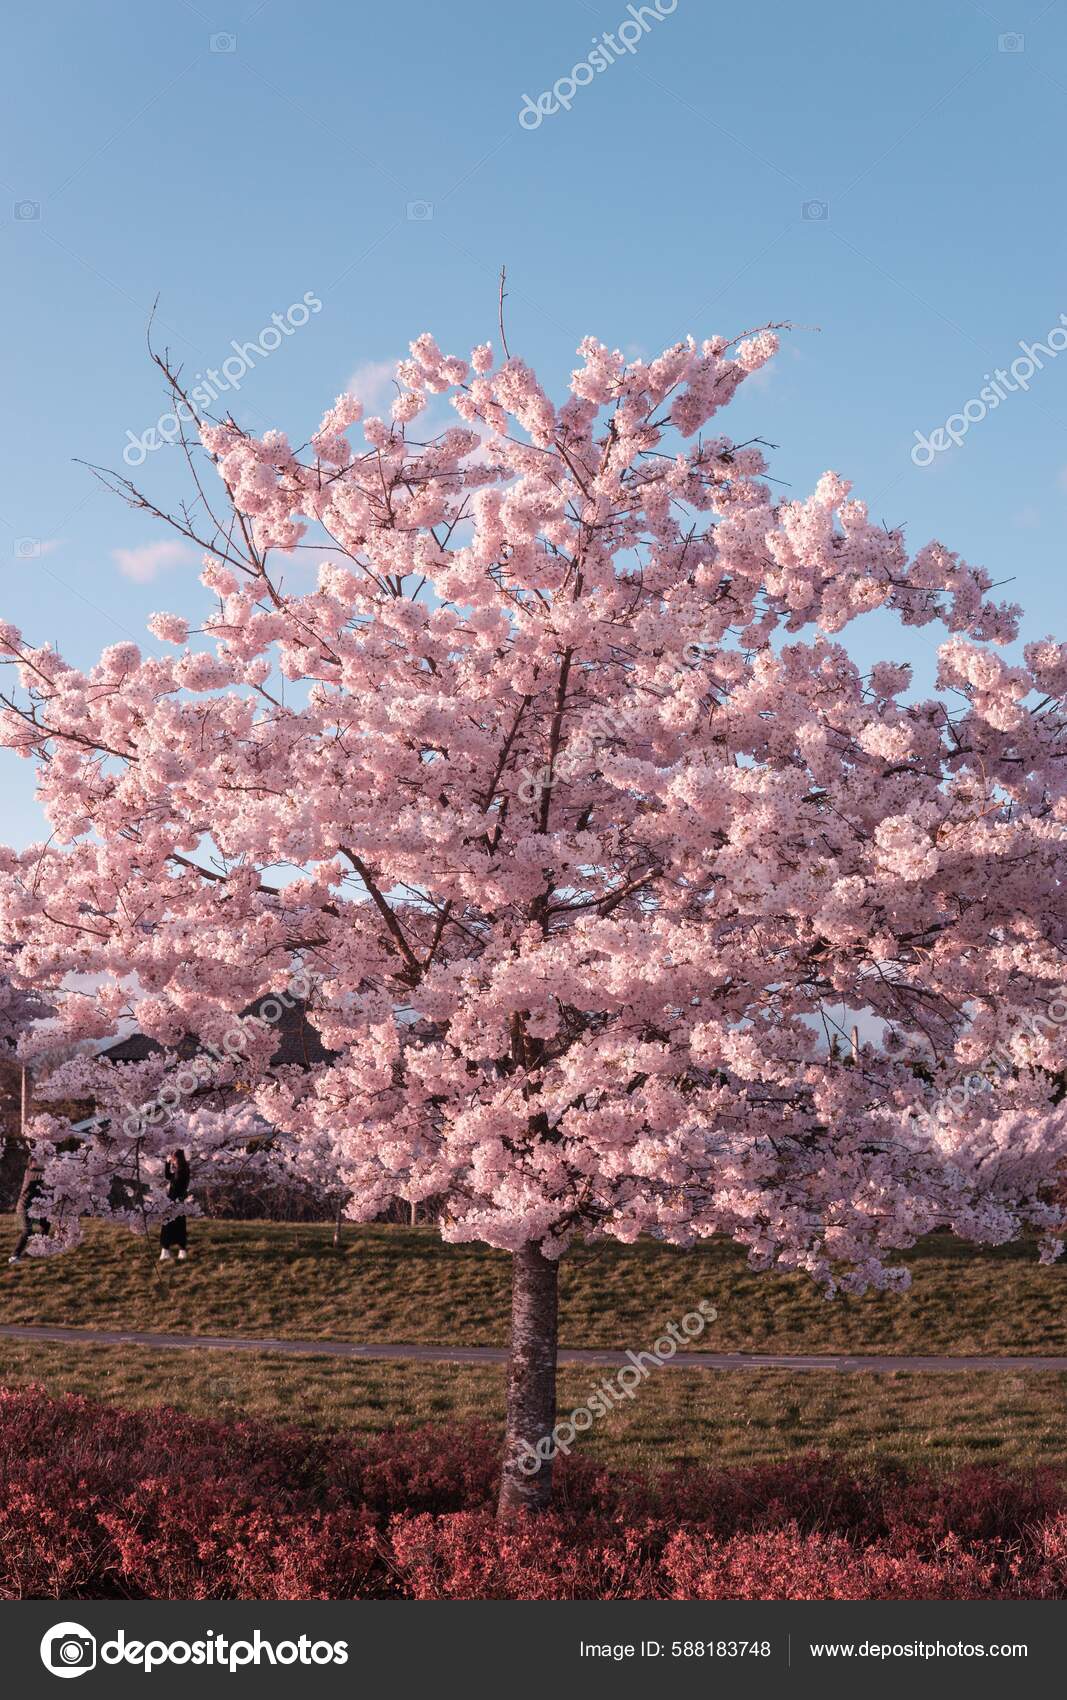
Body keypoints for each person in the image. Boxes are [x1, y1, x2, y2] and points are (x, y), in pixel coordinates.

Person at [9, 1151, 49, 1263]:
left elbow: (47, 1182)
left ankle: (37, 1249)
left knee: (46, 1224)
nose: (40, 1162)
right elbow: (43, 1176)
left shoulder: (40, 1173)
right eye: (36, 1160)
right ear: (31, 1163)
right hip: (24, 1207)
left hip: (36, 1208)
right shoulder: (29, 1173)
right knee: (28, 1231)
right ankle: (14, 1256)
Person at [159, 1147, 190, 1262]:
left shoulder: (183, 1171)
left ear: (177, 1159)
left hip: (176, 1201)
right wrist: (167, 1164)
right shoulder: (180, 1170)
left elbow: (176, 1184)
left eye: (173, 1159)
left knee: (173, 1225)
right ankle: (168, 1250)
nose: (172, 1161)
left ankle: (178, 1250)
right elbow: (168, 1176)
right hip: (173, 1201)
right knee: (171, 1225)